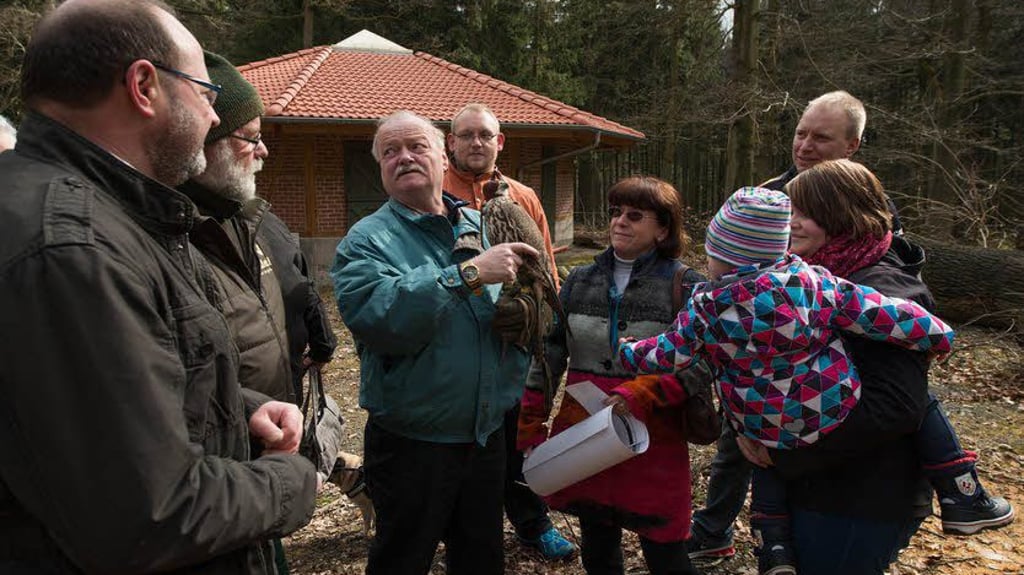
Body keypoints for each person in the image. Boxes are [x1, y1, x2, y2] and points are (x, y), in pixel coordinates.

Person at [0, 1, 317, 573]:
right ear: (144, 86)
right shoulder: (75, 249)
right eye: (205, 94)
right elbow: (150, 515)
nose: (214, 119)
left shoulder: (110, 218)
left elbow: (111, 400)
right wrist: (291, 481)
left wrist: (237, 409)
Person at [687, 91, 1013, 562]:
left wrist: (784, 452)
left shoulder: (878, 286)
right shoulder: (802, 267)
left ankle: (961, 490)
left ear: (841, 217)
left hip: (859, 498)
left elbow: (897, 403)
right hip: (814, 480)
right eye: (801, 133)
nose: (788, 226)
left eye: (800, 216)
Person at [620, 186, 955, 574]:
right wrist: (938, 334)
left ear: (720, 255)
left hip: (761, 423)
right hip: (831, 406)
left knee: (763, 465)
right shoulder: (812, 283)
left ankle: (774, 544)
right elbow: (881, 314)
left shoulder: (705, 306)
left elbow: (669, 353)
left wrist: (630, 352)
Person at [178, 50, 372, 573]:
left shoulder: (251, 213)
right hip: (217, 457)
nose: (263, 150)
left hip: (266, 432)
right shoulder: (172, 233)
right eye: (250, 136)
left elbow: (294, 282)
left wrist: (316, 332)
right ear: (208, 142)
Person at [331, 110, 540, 575]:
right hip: (412, 442)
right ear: (381, 167)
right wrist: (467, 274)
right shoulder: (365, 241)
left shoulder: (481, 224)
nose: (403, 157)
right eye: (390, 152)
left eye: (416, 146)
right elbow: (381, 318)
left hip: (485, 436)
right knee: (403, 559)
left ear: (444, 157)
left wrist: (526, 322)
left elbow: (525, 307)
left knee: (481, 557)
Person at [517, 175, 706, 575]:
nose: (620, 221)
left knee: (666, 553)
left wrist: (645, 393)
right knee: (599, 547)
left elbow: (705, 363)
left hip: (655, 438)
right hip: (583, 434)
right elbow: (548, 356)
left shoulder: (687, 286)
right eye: (615, 212)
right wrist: (530, 422)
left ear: (663, 229)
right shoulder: (578, 281)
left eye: (635, 215)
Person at [442, 102, 575, 560]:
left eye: (485, 135)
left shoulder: (523, 196)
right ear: (451, 141)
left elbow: (548, 272)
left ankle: (532, 524)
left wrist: (542, 319)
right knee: (462, 448)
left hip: (514, 345)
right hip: (457, 347)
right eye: (466, 135)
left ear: (499, 142)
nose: (476, 143)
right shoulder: (431, 190)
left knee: (517, 438)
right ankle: (462, 533)